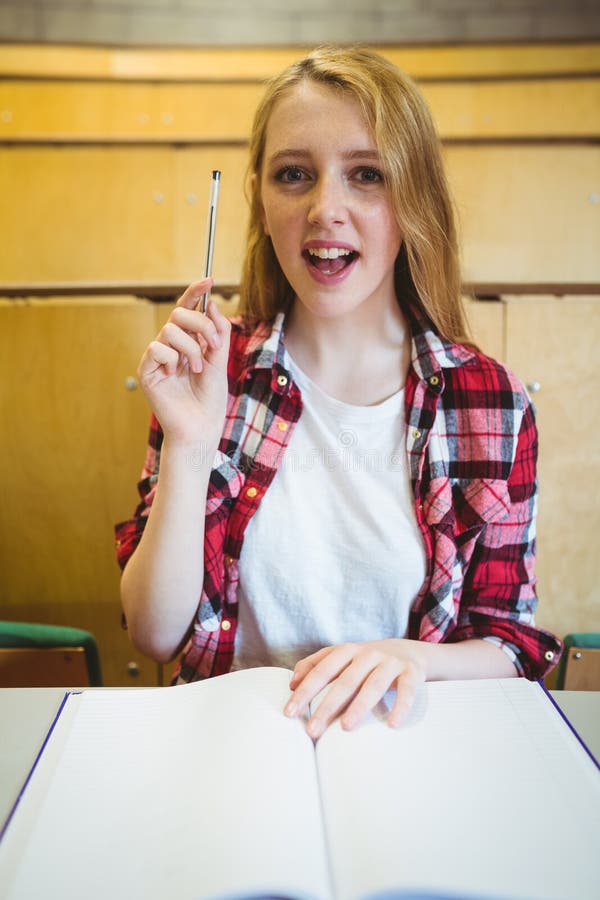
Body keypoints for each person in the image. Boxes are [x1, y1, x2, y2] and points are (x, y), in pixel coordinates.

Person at [115, 44, 561, 738]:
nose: (327, 208)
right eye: (294, 175)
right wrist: (190, 442)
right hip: (228, 749)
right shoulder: (209, 369)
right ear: (261, 204)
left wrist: (406, 658)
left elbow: (509, 643)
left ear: (413, 201)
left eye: (366, 176)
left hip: (400, 750)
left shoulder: (491, 403)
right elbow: (153, 634)